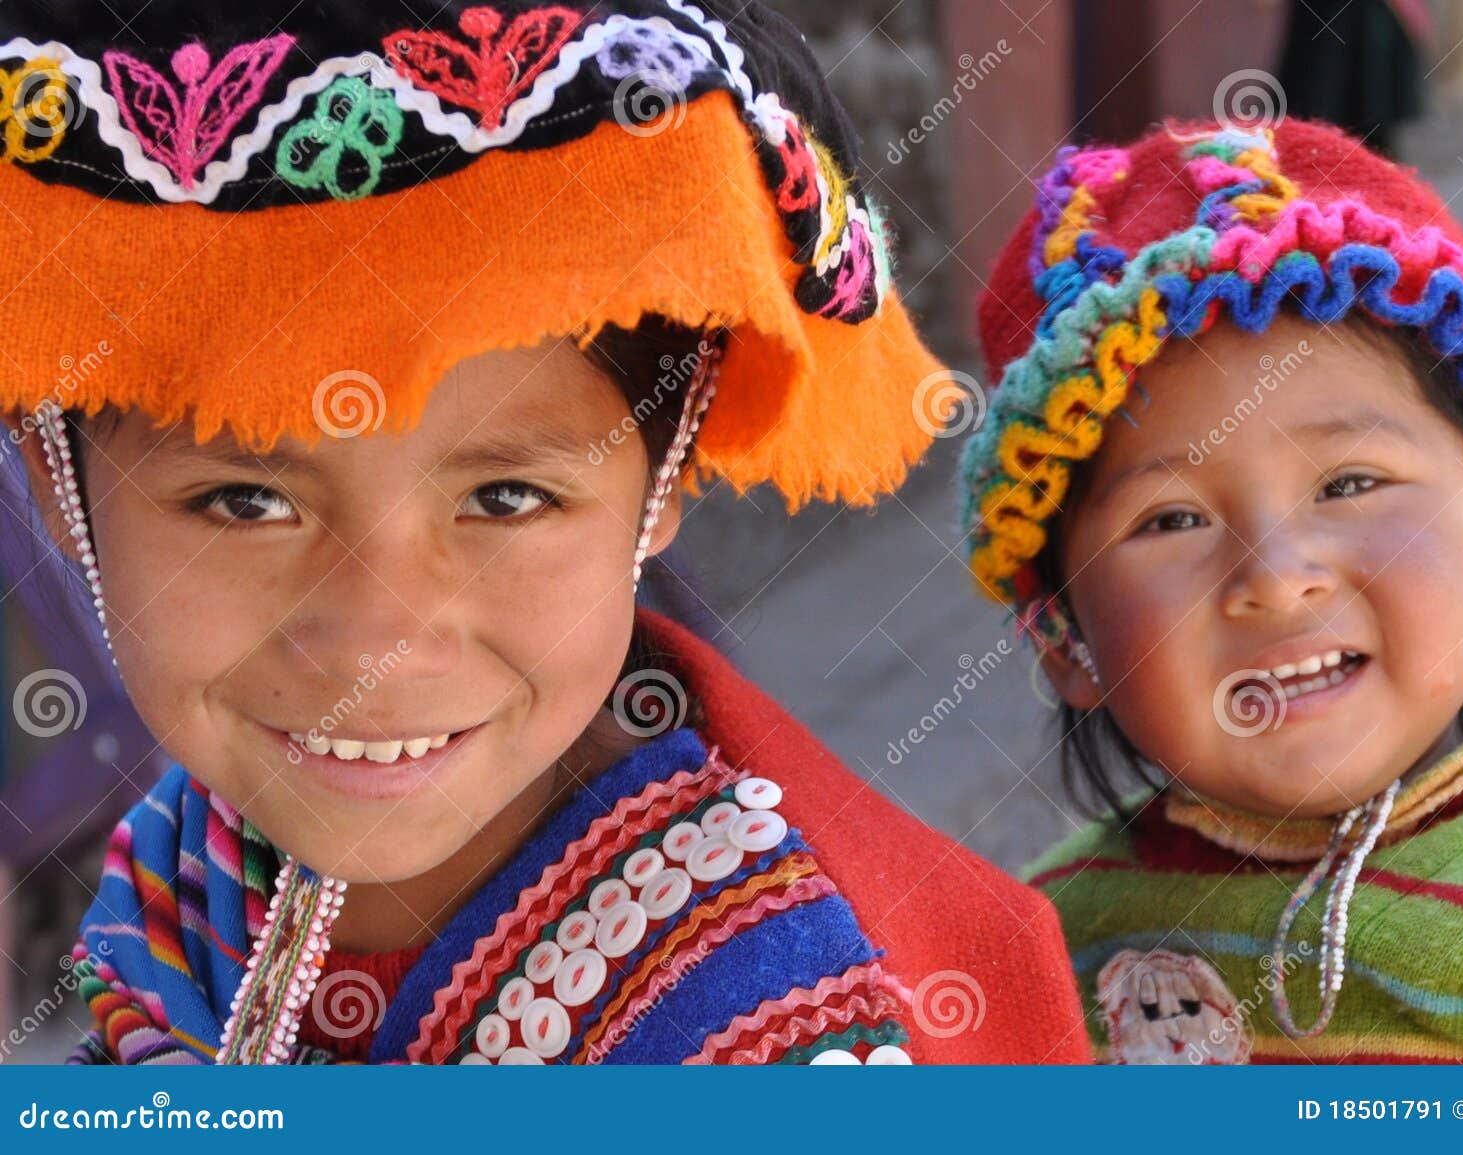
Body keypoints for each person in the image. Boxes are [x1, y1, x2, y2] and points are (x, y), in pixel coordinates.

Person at [0, 0, 1088, 1065]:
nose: (378, 636)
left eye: (506, 498)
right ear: (57, 478)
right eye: (245, 504)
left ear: (669, 473)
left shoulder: (772, 1026)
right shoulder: (186, 855)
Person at [958, 115, 1463, 1063]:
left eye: (1349, 484)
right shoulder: (1046, 937)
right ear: (1063, 639)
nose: (1276, 577)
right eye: (1171, 520)